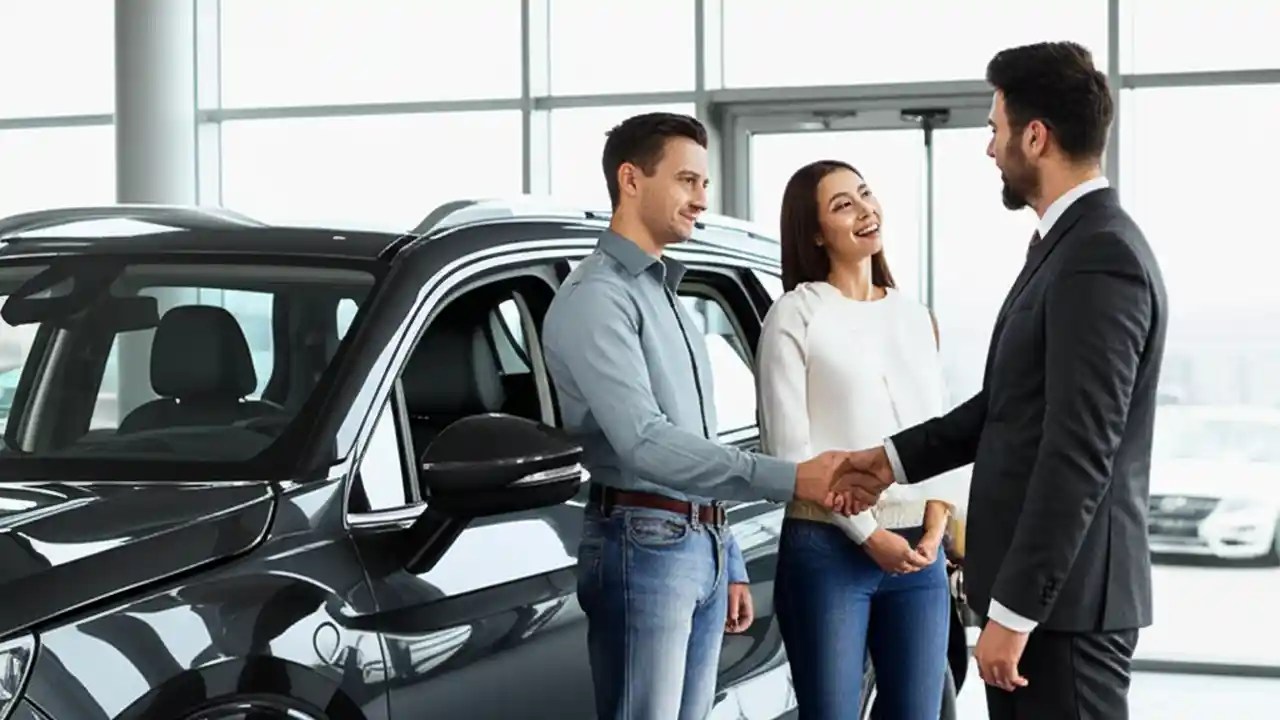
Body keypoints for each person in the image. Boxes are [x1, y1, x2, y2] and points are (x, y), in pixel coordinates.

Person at [840, 42, 1168, 720]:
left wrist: (1016, 613)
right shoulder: (1066, 244)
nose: (990, 148)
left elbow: (1078, 452)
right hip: (1047, 606)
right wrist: (890, 460)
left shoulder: (1098, 256)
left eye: (995, 129)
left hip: (1062, 612)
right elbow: (1010, 406)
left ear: (1035, 136)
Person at [541, 112, 860, 720]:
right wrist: (793, 478)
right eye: (688, 181)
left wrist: (728, 555)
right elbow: (644, 442)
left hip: (699, 542)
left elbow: (698, 438)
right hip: (644, 544)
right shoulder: (598, 299)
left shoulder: (666, 294)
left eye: (705, 184)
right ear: (631, 180)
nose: (701, 199)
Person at [757, 159, 957, 719]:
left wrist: (935, 531)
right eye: (843, 204)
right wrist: (869, 536)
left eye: (866, 196)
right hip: (829, 550)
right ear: (816, 232)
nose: (866, 210)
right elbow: (788, 452)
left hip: (920, 551)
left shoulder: (916, 316)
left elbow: (940, 434)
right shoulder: (794, 315)